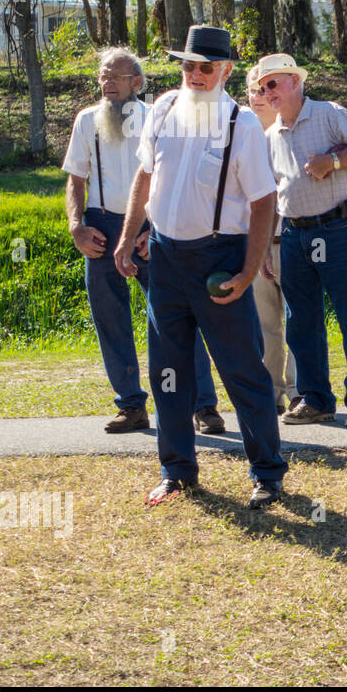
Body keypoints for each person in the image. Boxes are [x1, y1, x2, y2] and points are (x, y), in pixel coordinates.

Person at [112, 25, 287, 509]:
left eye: (205, 66)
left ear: (226, 70)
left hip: (219, 260)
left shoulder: (242, 125)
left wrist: (248, 273)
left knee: (242, 371)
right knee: (168, 372)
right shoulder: (164, 108)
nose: (195, 74)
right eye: (187, 64)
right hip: (164, 260)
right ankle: (177, 471)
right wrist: (129, 238)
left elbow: (263, 202)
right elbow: (145, 176)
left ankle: (267, 473)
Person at [62, 47, 224, 435]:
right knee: (111, 320)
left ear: (137, 82)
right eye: (102, 76)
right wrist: (76, 228)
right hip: (99, 228)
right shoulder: (86, 120)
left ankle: (204, 406)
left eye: (115, 77)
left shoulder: (160, 117)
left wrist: (155, 229)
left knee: (177, 319)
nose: (106, 83)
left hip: (152, 229)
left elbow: (173, 179)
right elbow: (75, 179)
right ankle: (131, 405)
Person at [257, 52, 347, 428]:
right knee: (301, 321)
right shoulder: (270, 135)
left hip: (337, 229)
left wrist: (334, 160)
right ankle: (315, 399)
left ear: (295, 81)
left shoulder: (329, 113)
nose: (268, 92)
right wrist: (264, 247)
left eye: (273, 83)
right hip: (293, 233)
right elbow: (273, 195)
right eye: (263, 87)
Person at [244, 64, 299, 415]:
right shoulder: (240, 136)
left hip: (294, 239)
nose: (261, 96)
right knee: (265, 325)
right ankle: (271, 392)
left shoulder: (291, 130)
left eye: (268, 89)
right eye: (254, 90)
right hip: (256, 245)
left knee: (299, 320)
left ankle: (299, 391)